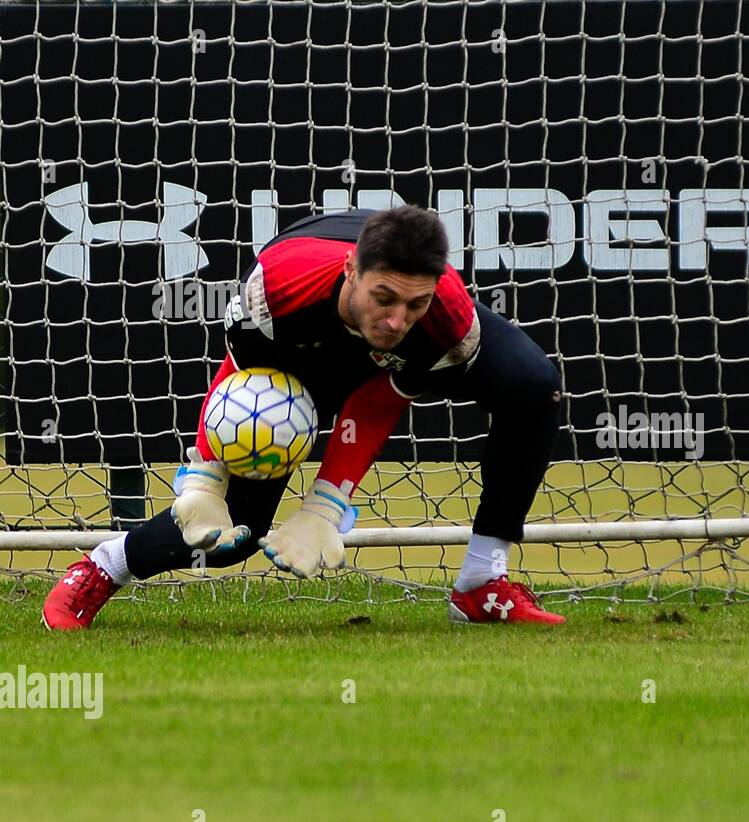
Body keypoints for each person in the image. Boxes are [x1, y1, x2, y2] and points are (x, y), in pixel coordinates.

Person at [42, 205, 565, 629]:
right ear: (350, 272)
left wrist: (325, 506)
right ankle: (104, 565)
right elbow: (235, 385)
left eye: (414, 303)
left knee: (533, 387)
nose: (396, 319)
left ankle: (481, 581)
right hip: (299, 359)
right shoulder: (274, 290)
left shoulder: (444, 317)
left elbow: (380, 400)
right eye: (384, 298)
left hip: (394, 366)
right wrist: (204, 482)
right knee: (233, 536)